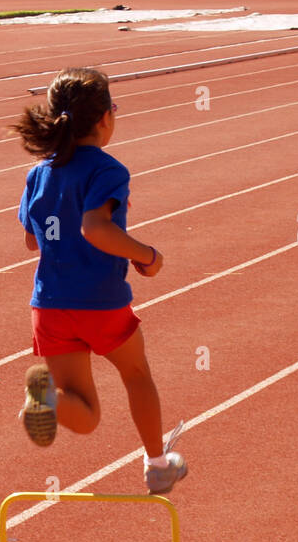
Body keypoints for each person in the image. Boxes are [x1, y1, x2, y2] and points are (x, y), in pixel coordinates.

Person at [11, 67, 186, 495]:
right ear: (105, 118)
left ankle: (46, 402)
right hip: (101, 302)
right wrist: (148, 256)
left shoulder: (38, 174)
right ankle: (158, 465)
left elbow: (31, 241)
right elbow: (95, 229)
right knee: (137, 374)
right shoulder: (107, 170)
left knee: (84, 413)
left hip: (49, 305)